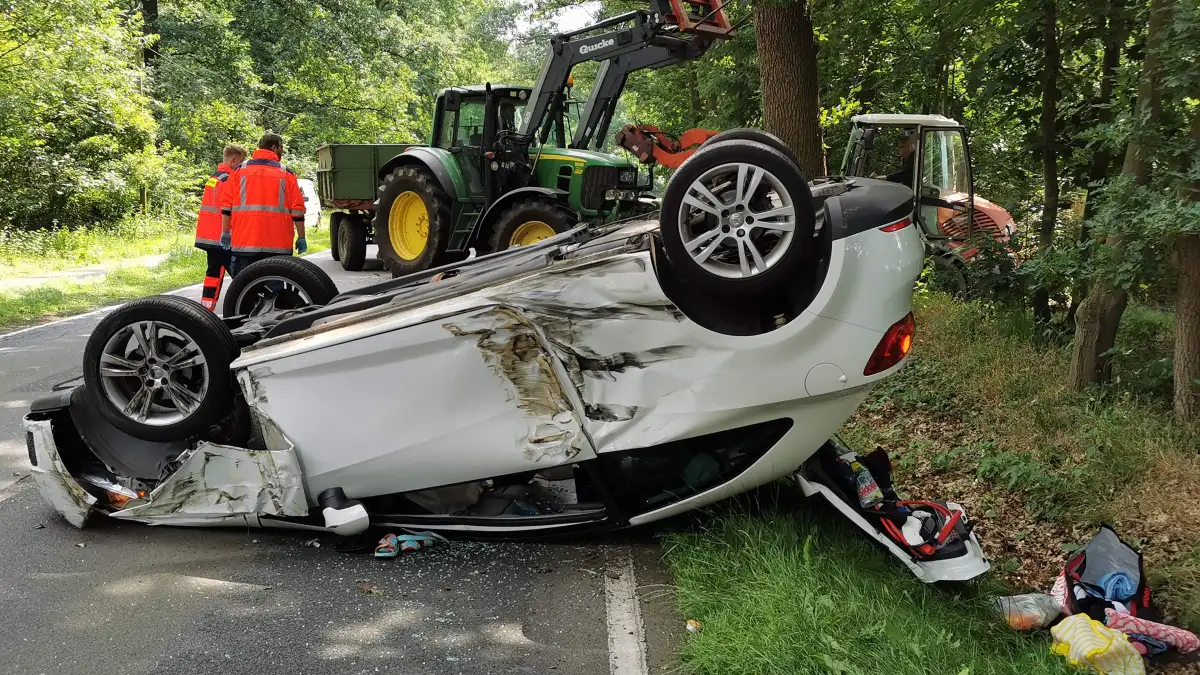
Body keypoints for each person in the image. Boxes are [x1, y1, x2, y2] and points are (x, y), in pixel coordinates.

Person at [219, 133, 307, 276]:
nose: (282, 152)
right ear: (273, 147)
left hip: (245, 242)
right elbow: (297, 209)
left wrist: (225, 232)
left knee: (246, 287)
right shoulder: (286, 174)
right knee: (275, 288)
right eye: (281, 148)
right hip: (278, 245)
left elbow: (226, 206)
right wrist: (301, 237)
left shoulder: (239, 171)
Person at [194, 144, 246, 311]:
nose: (241, 167)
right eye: (241, 162)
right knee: (242, 275)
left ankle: (206, 309)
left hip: (209, 237)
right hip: (223, 237)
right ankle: (247, 307)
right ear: (233, 160)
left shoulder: (214, 178)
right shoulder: (227, 180)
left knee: (213, 275)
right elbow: (228, 209)